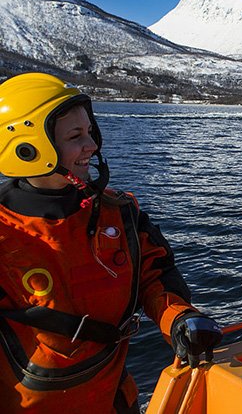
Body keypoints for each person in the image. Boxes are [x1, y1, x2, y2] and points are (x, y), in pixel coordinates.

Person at [0, 73, 223, 413]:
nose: (91, 145)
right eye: (75, 136)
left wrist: (180, 320)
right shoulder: (6, 234)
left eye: (90, 132)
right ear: (27, 149)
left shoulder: (119, 213)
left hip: (115, 401)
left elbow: (154, 277)